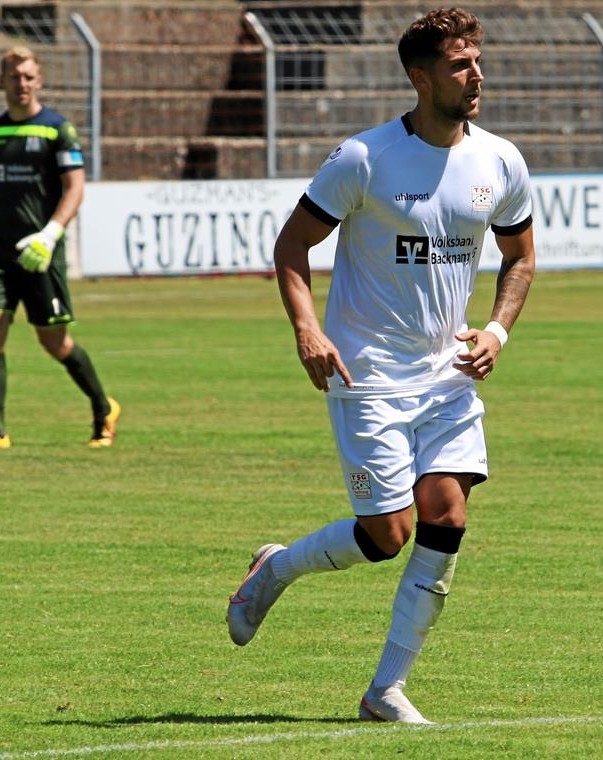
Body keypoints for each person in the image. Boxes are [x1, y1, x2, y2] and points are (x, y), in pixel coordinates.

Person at [226, 7, 535, 724]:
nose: (477, 74)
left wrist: (496, 329)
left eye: (478, 60)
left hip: (450, 376)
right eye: (460, 65)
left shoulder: (500, 161)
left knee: (447, 513)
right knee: (388, 535)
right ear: (420, 78)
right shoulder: (363, 159)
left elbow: (520, 259)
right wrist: (308, 330)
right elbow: (290, 248)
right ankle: (275, 568)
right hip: (366, 374)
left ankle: (385, 690)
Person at [0, 46, 119, 450]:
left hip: (41, 255)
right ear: (2, 82)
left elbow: (75, 187)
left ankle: (103, 407)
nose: (22, 84)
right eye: (14, 77)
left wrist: (49, 235)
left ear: (39, 81)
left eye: (29, 77)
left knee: (54, 342)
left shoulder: (57, 129)